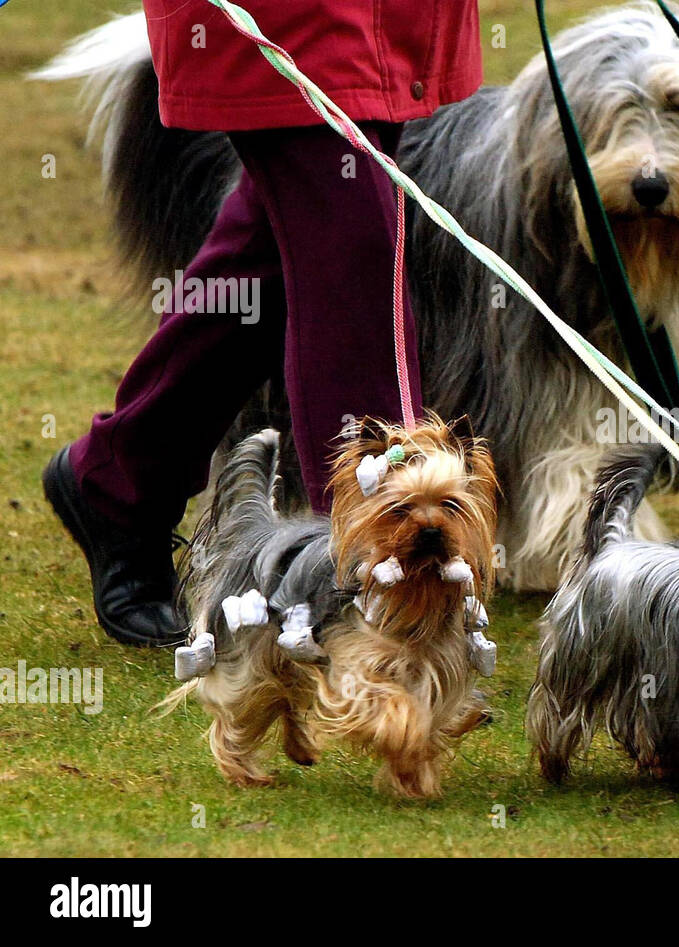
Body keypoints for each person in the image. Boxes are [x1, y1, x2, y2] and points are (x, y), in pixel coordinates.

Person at [42, 1, 483, 646]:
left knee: (271, 255)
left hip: (382, 17)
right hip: (294, 14)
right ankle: (371, 572)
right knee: (354, 251)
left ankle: (122, 477)